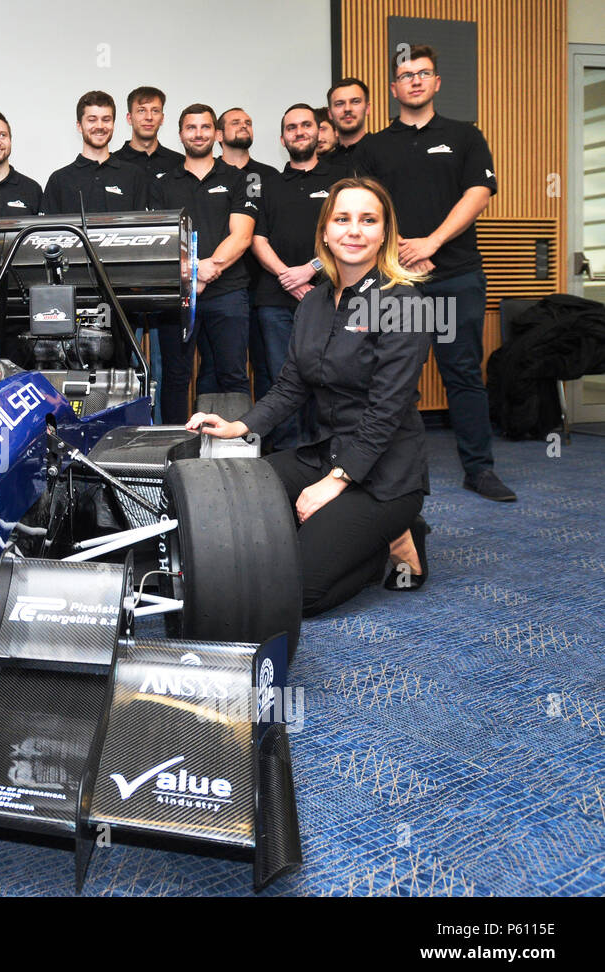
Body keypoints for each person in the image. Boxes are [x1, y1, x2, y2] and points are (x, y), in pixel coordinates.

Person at [188, 177, 432, 616]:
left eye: (368, 220)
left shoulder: (405, 302)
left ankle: (391, 540)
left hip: (383, 474)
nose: (353, 230)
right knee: (234, 503)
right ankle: (364, 531)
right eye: (342, 219)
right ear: (324, 231)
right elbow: (291, 385)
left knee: (294, 593)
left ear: (385, 233)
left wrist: (332, 485)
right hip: (324, 451)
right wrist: (239, 426)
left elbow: (385, 413)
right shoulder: (313, 302)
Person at [354, 43, 514, 502]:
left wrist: (432, 244)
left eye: (423, 73)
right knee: (389, 377)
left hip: (454, 275)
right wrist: (402, 253)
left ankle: (479, 470)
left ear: (437, 82)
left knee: (462, 371)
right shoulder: (374, 147)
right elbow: (365, 209)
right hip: (397, 280)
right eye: (406, 75)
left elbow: (479, 193)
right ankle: (381, 469)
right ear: (394, 88)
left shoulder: (465, 136)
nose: (416, 81)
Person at [149, 103, 256, 423]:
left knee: (233, 376)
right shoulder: (162, 184)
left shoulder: (239, 179)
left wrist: (207, 271)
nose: (199, 134)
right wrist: (193, 272)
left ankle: (238, 456)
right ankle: (175, 454)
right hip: (179, 297)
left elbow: (243, 235)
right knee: (176, 377)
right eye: (191, 128)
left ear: (217, 133)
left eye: (206, 127)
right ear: (180, 133)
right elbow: (161, 240)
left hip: (229, 294)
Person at [250, 103, 349, 449]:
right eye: (291, 128)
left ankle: (326, 454)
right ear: (282, 138)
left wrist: (311, 269)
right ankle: (288, 460)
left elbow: (347, 235)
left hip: (329, 296)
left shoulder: (341, 182)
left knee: (330, 377)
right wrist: (286, 276)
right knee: (284, 381)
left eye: (306, 125)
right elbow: (258, 239)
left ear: (319, 131)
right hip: (276, 300)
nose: (300, 132)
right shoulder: (268, 185)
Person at [114, 86, 184, 422]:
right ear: (129, 117)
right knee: (127, 366)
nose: (148, 117)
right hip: (126, 284)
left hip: (167, 283)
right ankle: (131, 428)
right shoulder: (114, 164)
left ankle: (167, 433)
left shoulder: (177, 164)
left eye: (155, 111)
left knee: (166, 365)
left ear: (163, 117)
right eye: (142, 111)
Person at [214, 106, 279, 405]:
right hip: (223, 286)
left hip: (266, 286)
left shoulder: (270, 176)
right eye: (235, 122)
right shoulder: (209, 174)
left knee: (267, 364)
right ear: (219, 135)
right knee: (222, 368)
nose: (244, 126)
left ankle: (267, 437)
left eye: (248, 122)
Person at [42, 91, 148, 213]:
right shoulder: (59, 180)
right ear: (79, 126)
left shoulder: (134, 176)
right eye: (92, 120)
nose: (100, 126)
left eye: (106, 119)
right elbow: (50, 231)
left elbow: (143, 229)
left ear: (113, 124)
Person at [325, 76, 370, 167]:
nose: (347, 109)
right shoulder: (323, 165)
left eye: (355, 102)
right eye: (339, 104)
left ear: (367, 108)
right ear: (330, 113)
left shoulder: (385, 152)